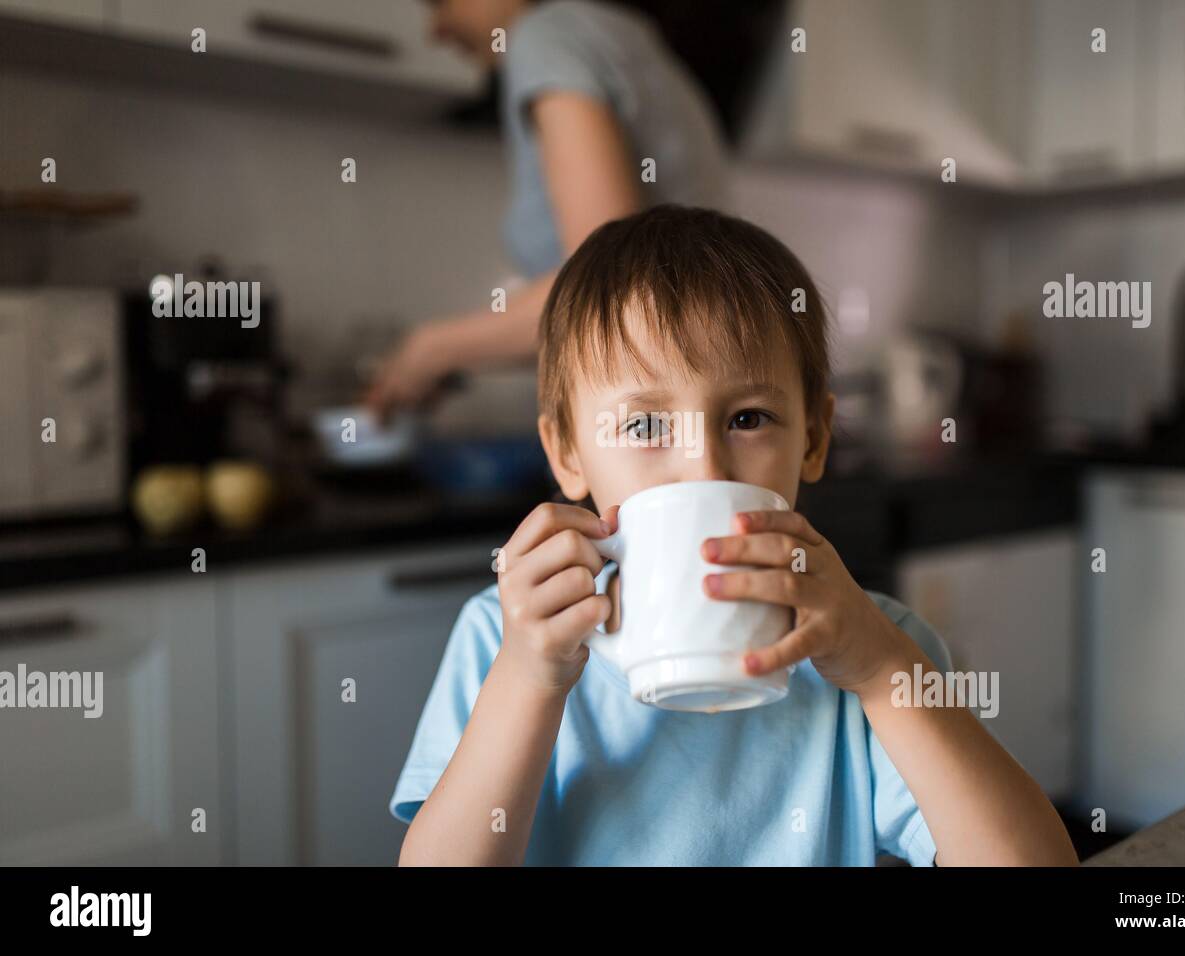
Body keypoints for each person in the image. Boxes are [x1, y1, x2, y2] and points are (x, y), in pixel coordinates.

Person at [388, 204, 1080, 866]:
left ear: (814, 438)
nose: (704, 467)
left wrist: (882, 672)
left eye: (748, 418)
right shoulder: (502, 640)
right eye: (645, 425)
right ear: (566, 452)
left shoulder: (875, 645)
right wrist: (529, 680)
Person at [365, 0, 729, 417]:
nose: (435, 30)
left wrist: (434, 348)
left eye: (440, 4)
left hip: (649, 426)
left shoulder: (547, 36)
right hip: (689, 406)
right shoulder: (624, 39)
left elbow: (610, 284)